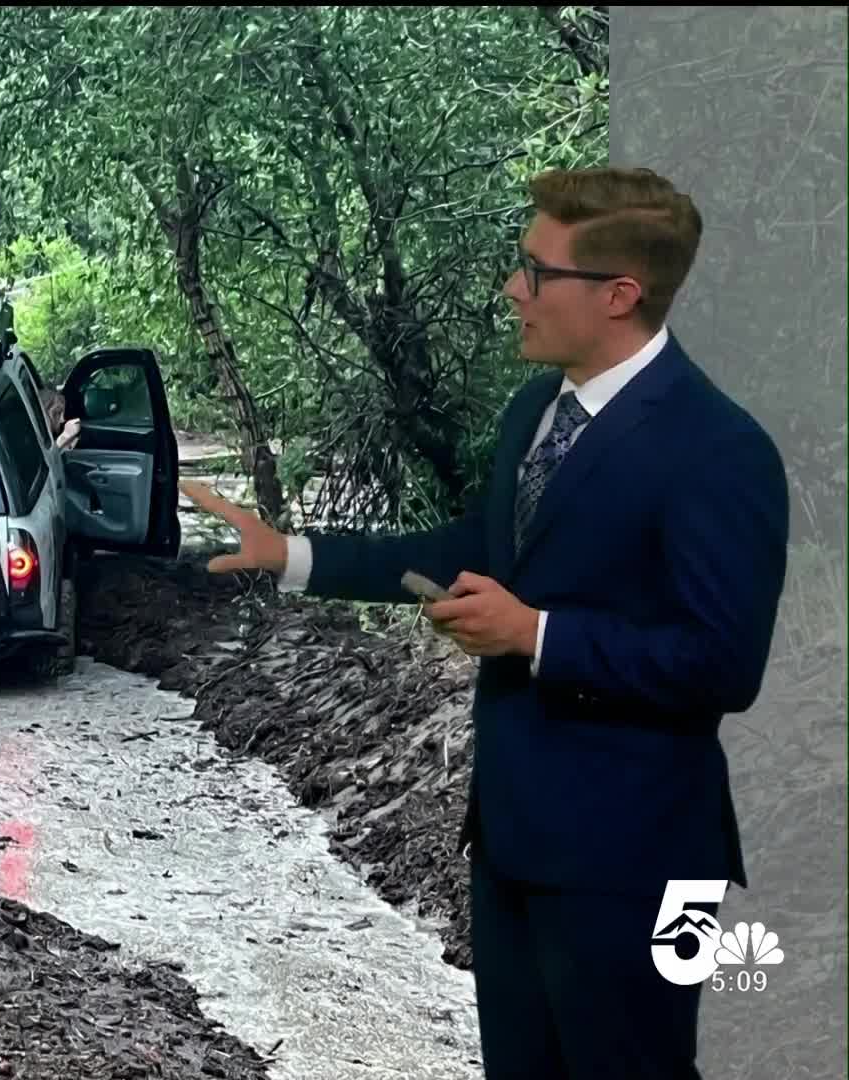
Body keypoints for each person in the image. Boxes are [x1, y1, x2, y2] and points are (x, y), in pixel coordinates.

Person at [183, 166, 789, 1079]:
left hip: (656, 861)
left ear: (620, 295)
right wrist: (292, 555)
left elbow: (723, 663)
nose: (515, 288)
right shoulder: (533, 413)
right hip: (510, 842)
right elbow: (481, 545)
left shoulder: (723, 451)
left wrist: (536, 635)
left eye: (537, 272)